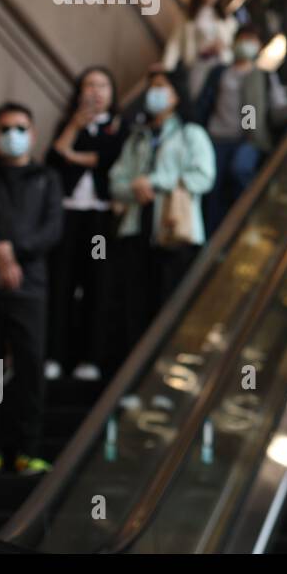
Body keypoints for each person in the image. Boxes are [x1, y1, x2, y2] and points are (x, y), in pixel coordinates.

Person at [0, 102, 64, 475]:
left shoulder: (47, 179)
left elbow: (52, 229)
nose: (12, 135)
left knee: (30, 367)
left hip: (30, 289)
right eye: (5, 128)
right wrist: (0, 255)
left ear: (32, 133)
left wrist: (15, 252)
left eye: (20, 128)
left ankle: (27, 450)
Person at [108, 67, 216, 366]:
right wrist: (134, 188)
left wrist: (156, 182)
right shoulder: (138, 137)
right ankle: (132, 379)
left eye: (161, 87)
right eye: (151, 87)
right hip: (136, 231)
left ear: (177, 94)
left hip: (175, 232)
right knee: (135, 308)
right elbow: (116, 181)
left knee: (170, 308)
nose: (153, 94)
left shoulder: (190, 134)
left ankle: (166, 378)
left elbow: (204, 177)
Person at [45, 67, 127, 382]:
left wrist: (71, 155)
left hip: (100, 218)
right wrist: (72, 130)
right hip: (68, 216)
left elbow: (107, 159)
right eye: (88, 85)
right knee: (61, 283)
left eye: (102, 85)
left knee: (97, 283)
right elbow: (52, 160)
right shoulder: (69, 125)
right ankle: (53, 355)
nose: (95, 91)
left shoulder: (119, 128)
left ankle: (91, 358)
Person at [196, 24, 287, 235]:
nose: (247, 44)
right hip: (216, 139)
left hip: (247, 140)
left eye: (252, 40)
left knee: (240, 170)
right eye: (244, 38)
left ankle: (245, 227)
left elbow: (278, 110)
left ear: (260, 46)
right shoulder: (219, 72)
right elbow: (202, 102)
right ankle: (211, 238)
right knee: (210, 190)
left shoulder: (263, 76)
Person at [163, 0, 236, 101]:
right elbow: (174, 44)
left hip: (221, 62)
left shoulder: (226, 18)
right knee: (196, 97)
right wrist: (166, 67)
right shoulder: (189, 17)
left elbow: (232, 43)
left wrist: (221, 46)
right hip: (198, 63)